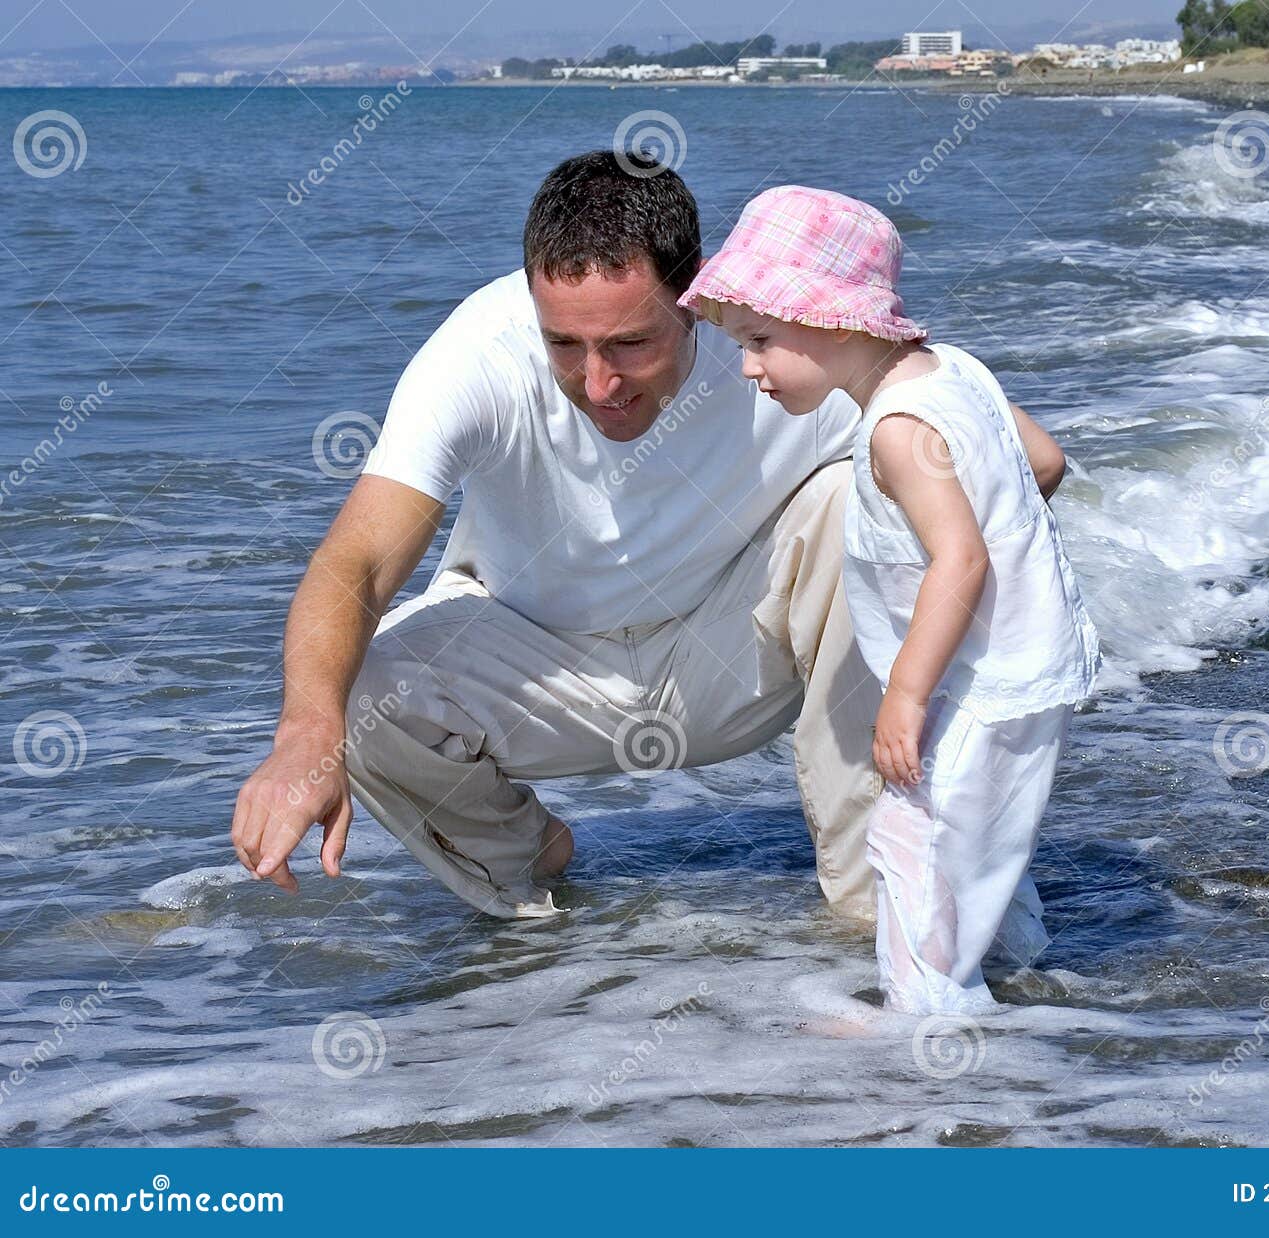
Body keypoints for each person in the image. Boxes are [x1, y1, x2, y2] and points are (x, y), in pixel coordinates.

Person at [230, 151, 900, 922]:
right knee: (355, 693)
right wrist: (304, 738)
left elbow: (996, 460)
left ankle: (872, 911)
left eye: (628, 345)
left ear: (695, 300)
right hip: (542, 664)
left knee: (866, 495)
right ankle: (534, 907)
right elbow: (359, 561)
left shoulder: (779, 343)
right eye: (564, 347)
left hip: (735, 655)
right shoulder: (477, 353)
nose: (598, 385)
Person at [677, 186, 1102, 1014]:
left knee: (909, 839)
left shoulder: (895, 430)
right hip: (1017, 664)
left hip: (973, 681)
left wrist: (904, 697)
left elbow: (960, 560)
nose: (748, 367)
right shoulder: (959, 373)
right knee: (972, 839)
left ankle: (921, 1022)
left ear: (836, 321)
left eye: (761, 340)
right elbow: (1043, 463)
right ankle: (1012, 965)